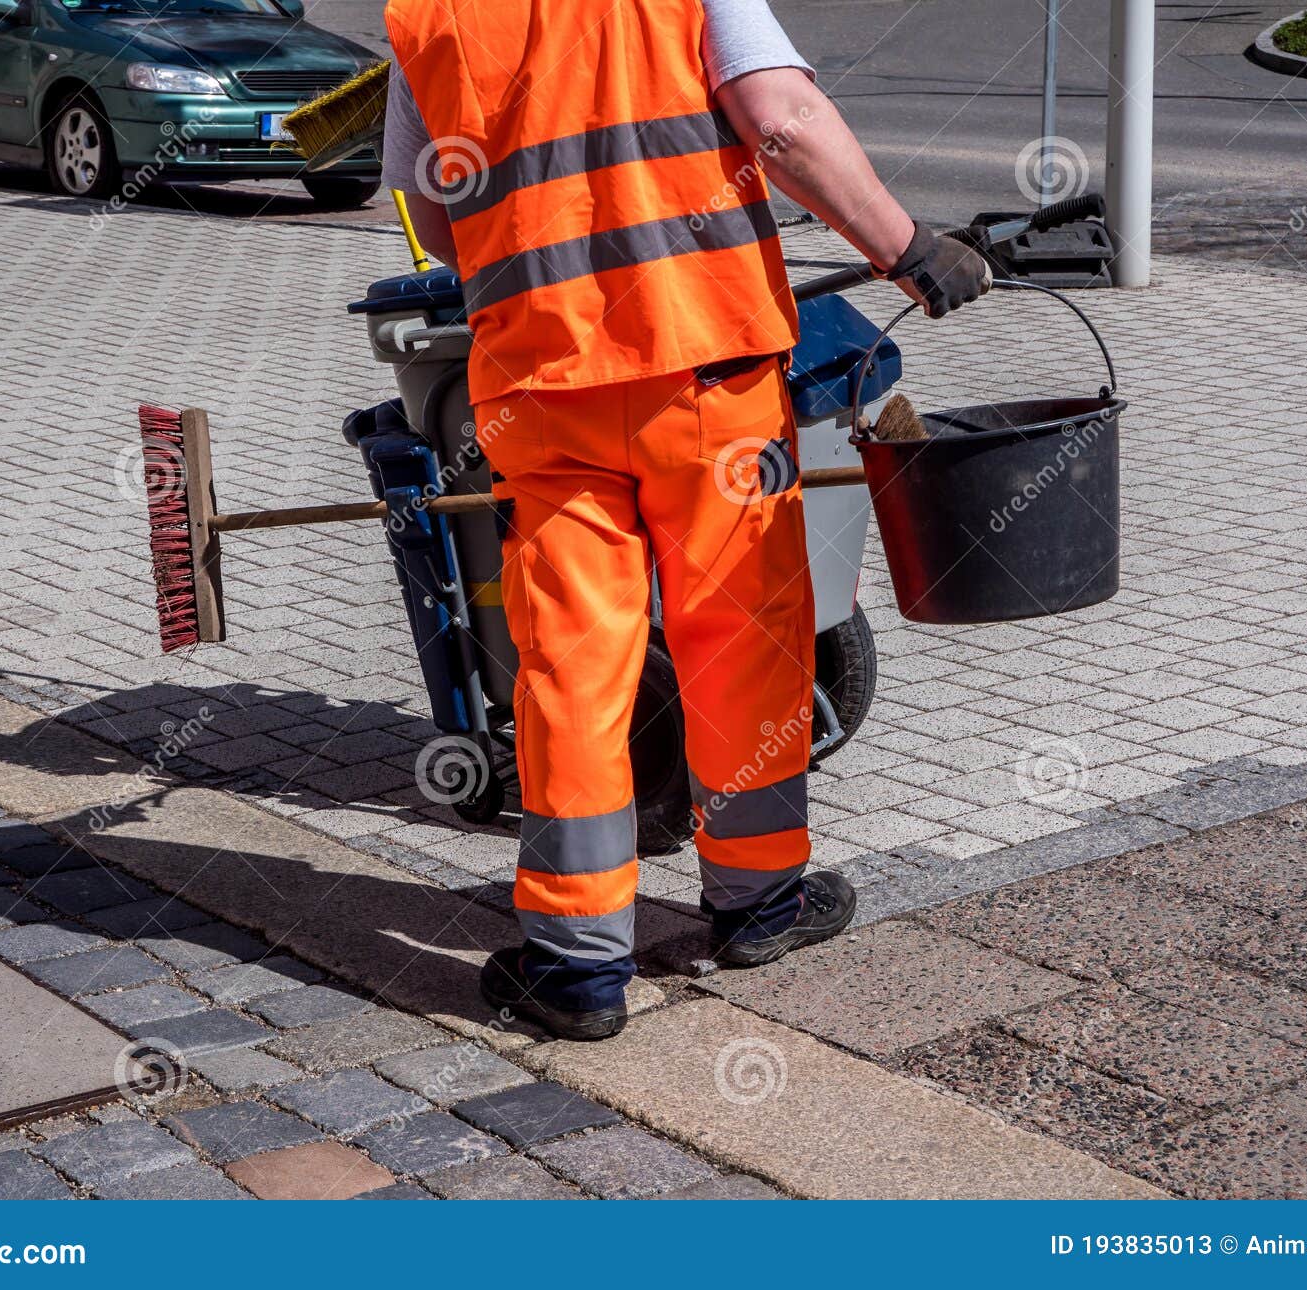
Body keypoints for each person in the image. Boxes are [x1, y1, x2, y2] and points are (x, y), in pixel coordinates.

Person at [380, 0, 989, 1040]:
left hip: (543, 387)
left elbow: (432, 215)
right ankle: (759, 902)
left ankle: (574, 966)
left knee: (570, 663)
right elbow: (781, 120)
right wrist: (906, 246)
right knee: (738, 635)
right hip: (703, 371)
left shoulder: (429, 15)